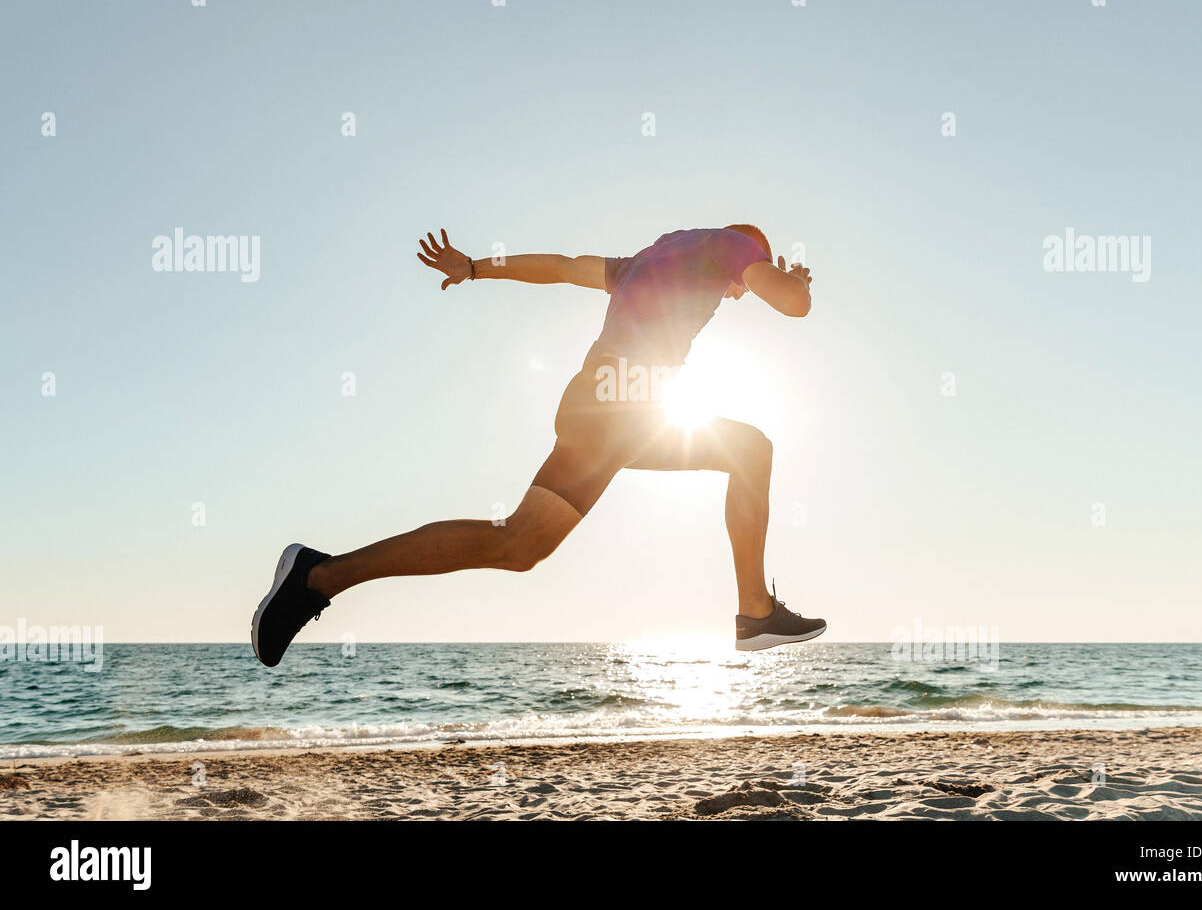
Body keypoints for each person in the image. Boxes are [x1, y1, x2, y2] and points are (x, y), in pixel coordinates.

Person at [251, 225, 825, 666]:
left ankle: (317, 576)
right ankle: (754, 611)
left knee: (518, 546)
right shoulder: (730, 246)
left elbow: (562, 267)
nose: (734, 295)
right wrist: (790, 281)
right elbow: (793, 305)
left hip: (602, 408)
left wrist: (475, 267)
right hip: (623, 409)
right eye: (741, 284)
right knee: (750, 450)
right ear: (749, 253)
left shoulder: (648, 260)